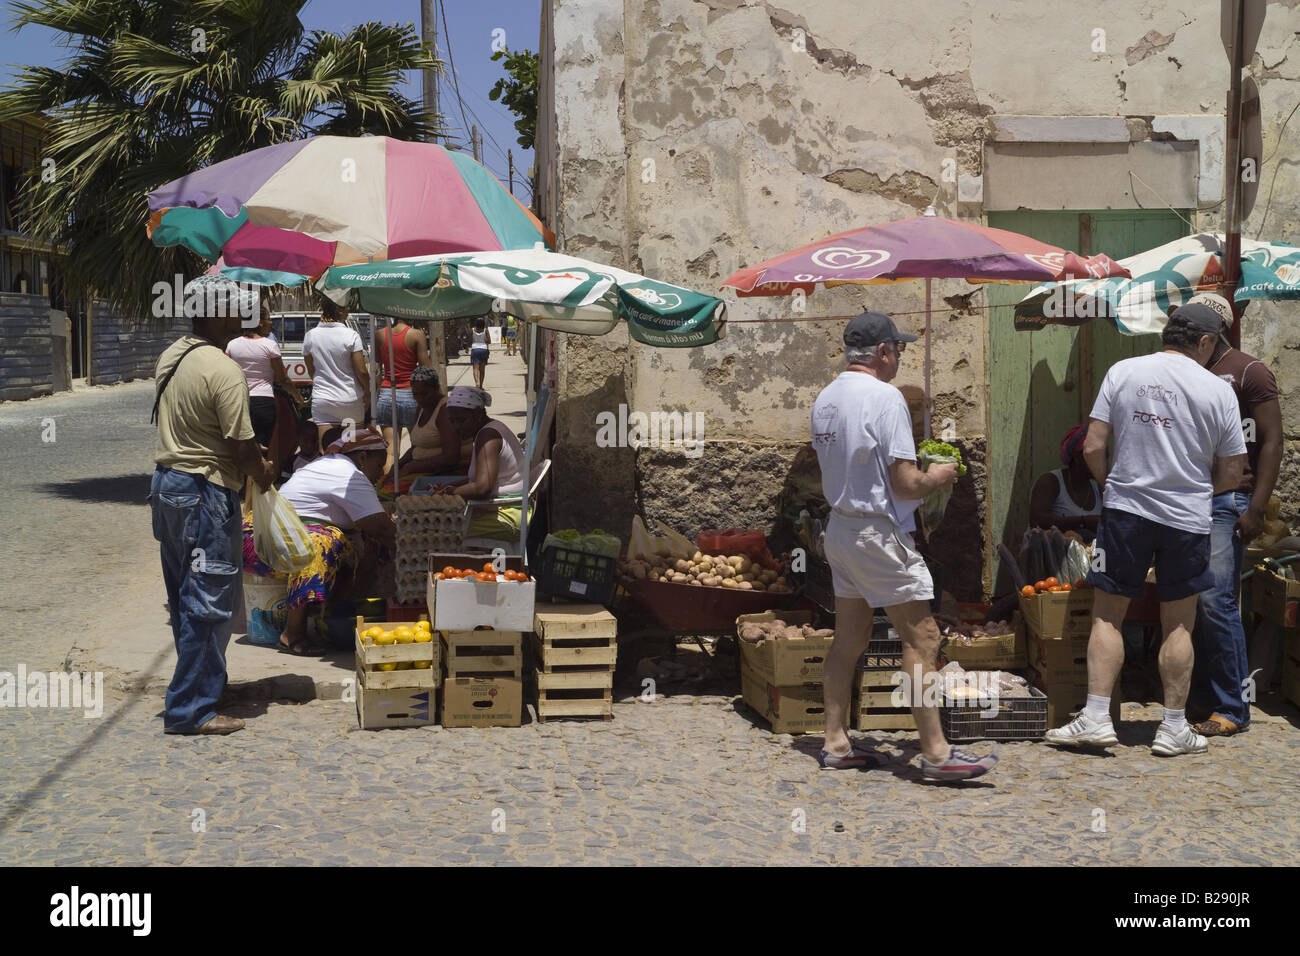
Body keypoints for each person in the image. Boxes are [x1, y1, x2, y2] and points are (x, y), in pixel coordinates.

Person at [1045, 300, 1247, 757]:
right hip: (1188, 518)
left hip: (1127, 512)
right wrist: (1194, 490)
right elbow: (1233, 474)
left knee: (1106, 614)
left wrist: (1111, 486)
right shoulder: (1218, 391)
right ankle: (1173, 727)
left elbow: (1093, 446)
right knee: (1179, 622)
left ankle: (1096, 718)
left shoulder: (1124, 371)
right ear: (1204, 341)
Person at [812, 310, 995, 781]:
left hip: (840, 529)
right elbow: (906, 482)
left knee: (849, 638)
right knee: (924, 637)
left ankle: (834, 742)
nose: (901, 358)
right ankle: (936, 753)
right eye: (901, 349)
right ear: (883, 352)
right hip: (878, 532)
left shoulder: (825, 399)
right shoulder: (886, 398)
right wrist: (938, 476)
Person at [150, 275, 276, 736]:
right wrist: (262, 472)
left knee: (185, 598)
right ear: (216, 313)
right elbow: (241, 450)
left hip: (167, 488)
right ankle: (191, 711)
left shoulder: (172, 355)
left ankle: (203, 687)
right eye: (233, 306)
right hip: (204, 493)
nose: (240, 312)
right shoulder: (223, 371)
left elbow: (191, 425)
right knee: (207, 604)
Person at [1187, 292, 1282, 738]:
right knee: (1195, 598)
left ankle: (1232, 706)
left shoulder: (1248, 371)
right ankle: (1202, 696)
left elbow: (1272, 441)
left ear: (1213, 331)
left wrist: (1257, 507)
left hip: (1230, 502)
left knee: (1216, 600)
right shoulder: (1187, 367)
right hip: (1188, 497)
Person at [243, 426, 396, 655]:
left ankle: (329, 617)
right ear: (363, 457)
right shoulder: (349, 474)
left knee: (349, 543)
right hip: (266, 544)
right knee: (324, 543)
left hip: (259, 537)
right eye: (380, 462)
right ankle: (292, 634)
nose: (382, 471)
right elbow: (380, 527)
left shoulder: (325, 465)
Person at [445, 386, 526, 543]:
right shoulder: (488, 429)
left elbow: (483, 488)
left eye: (461, 420)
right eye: (452, 421)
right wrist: (455, 486)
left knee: (434, 528)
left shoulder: (487, 436)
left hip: (507, 516)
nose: (456, 427)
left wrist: (451, 493)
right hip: (507, 509)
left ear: (478, 415)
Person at [225, 301, 303, 447]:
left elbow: (225, 373)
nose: (270, 323)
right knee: (263, 448)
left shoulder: (232, 345)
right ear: (259, 322)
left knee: (241, 447)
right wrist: (298, 398)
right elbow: (283, 379)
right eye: (268, 319)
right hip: (263, 402)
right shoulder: (269, 345)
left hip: (238, 400)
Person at [303, 297, 368, 450]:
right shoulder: (351, 335)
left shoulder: (311, 335)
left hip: (323, 400)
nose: (348, 310)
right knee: (351, 448)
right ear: (338, 310)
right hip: (349, 400)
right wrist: (368, 391)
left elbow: (311, 369)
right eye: (345, 307)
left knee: (326, 448)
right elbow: (361, 371)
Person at [374, 317, 434, 478]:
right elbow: (425, 367)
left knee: (391, 450)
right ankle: (411, 487)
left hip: (387, 394)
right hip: (410, 394)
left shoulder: (380, 334)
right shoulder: (416, 335)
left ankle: (388, 488)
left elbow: (376, 367)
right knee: (418, 447)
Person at [1028, 424, 1102, 539]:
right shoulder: (1050, 482)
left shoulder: (1098, 489)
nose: (1101, 461)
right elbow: (1036, 521)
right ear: (1078, 457)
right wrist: (1084, 522)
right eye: (1096, 455)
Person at [395, 366, 472, 478]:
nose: (420, 398)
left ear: (436, 389)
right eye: (416, 394)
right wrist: (399, 464)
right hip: (422, 468)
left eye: (425, 394)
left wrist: (413, 467)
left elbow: (451, 456)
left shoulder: (444, 410)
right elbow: (415, 448)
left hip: (446, 471)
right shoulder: (421, 408)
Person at [469, 317, 490, 389]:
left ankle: (476, 382)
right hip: (483, 349)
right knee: (482, 370)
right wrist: (484, 339)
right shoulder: (485, 330)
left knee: (475, 368)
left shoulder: (472, 330)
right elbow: (489, 341)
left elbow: (470, 340)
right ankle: (481, 385)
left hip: (475, 349)